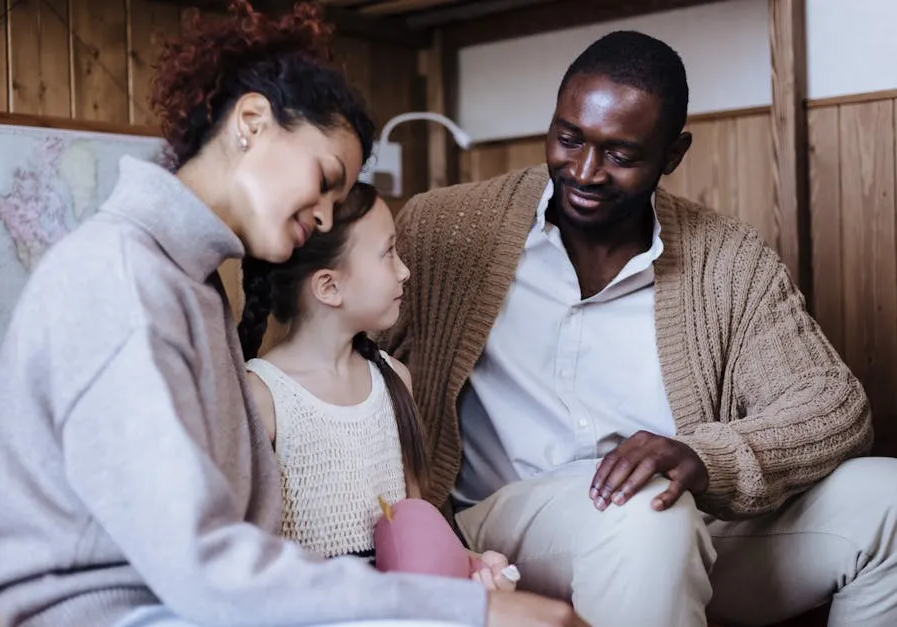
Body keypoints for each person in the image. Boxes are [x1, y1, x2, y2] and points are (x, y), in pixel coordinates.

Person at [0, 3, 588, 627]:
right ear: (252, 122)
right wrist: (469, 607)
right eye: (325, 178)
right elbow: (200, 567)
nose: (321, 215)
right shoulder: (122, 280)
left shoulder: (190, 282)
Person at [381, 29, 897, 627]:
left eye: (621, 155)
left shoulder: (725, 257)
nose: (584, 171)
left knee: (885, 496)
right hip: (501, 534)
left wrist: (706, 458)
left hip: (676, 532)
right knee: (646, 509)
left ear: (672, 155)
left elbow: (833, 405)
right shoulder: (446, 227)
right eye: (568, 138)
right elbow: (348, 359)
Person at [237, 182, 515, 592]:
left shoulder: (392, 378)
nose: (404, 270)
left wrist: (470, 565)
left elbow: (417, 528)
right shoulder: (263, 398)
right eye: (388, 253)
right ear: (329, 286)